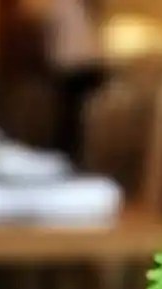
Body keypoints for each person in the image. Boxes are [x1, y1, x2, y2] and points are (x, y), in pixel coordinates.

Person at [46, 0, 105, 167]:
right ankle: (68, 157)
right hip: (73, 64)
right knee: (70, 117)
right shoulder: (64, 5)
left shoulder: (82, 6)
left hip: (83, 63)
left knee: (76, 117)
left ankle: (72, 156)